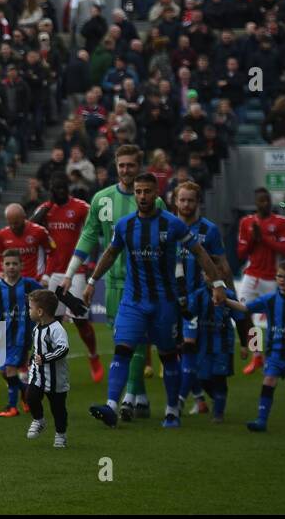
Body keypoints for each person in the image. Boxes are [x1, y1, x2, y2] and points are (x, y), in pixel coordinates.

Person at [86, 172, 227, 429]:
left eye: (147, 192)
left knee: (167, 355)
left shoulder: (173, 224)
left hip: (164, 302)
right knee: (123, 348)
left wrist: (218, 283)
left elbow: (200, 253)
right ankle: (111, 406)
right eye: (138, 192)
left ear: (156, 193)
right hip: (133, 301)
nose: (142, 196)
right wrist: (92, 282)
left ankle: (172, 409)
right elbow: (109, 253)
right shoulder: (125, 225)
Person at [64, 145, 160, 420]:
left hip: (144, 283)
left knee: (137, 338)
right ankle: (139, 397)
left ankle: (128, 398)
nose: (126, 170)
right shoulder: (102, 199)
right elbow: (89, 238)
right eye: (122, 165)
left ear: (139, 165)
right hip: (113, 281)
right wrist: (71, 273)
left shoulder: (154, 201)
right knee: (123, 339)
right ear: (116, 167)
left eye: (131, 165)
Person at [171, 181, 237, 417]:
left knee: (196, 352)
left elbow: (223, 264)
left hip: (203, 302)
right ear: (175, 201)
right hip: (173, 300)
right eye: (182, 199)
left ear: (198, 202)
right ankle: (200, 399)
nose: (186, 204)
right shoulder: (166, 227)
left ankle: (185, 401)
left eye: (191, 200)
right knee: (177, 352)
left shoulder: (209, 230)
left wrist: (228, 293)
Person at [219, 259, 285, 432]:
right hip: (275, 354)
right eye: (280, 276)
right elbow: (245, 309)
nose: (282, 280)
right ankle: (261, 420)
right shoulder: (270, 300)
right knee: (268, 381)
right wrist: (226, 301)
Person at [33, 175, 100, 380]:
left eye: (63, 188)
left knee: (80, 318)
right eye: (56, 188)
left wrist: (90, 262)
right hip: (53, 272)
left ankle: (93, 355)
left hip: (76, 271)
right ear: (51, 190)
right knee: (54, 321)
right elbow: (30, 227)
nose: (60, 191)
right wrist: (42, 213)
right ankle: (55, 362)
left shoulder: (80, 207)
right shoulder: (45, 208)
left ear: (68, 188)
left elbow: (94, 230)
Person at [235, 187, 285, 376]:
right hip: (251, 276)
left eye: (267, 200)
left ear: (270, 202)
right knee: (243, 313)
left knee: (278, 320)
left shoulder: (281, 222)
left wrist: (264, 237)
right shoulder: (246, 222)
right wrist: (253, 238)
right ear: (256, 203)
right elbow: (241, 253)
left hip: (273, 278)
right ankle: (257, 355)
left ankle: (276, 357)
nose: (264, 204)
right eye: (261, 201)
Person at [0, 249, 37, 418]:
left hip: (22, 335)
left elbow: (45, 297)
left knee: (11, 369)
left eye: (15, 263)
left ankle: (11, 407)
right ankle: (26, 393)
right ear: (2, 266)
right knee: (3, 372)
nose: (11, 267)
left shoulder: (29, 284)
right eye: (8, 264)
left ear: (21, 265)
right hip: (3, 335)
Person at [24, 289, 70, 448]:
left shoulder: (57, 329)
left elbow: (63, 349)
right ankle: (39, 419)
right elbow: (37, 349)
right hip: (38, 375)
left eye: (30, 308)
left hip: (57, 379)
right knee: (30, 396)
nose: (28, 311)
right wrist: (32, 360)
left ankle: (60, 434)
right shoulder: (36, 328)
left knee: (58, 409)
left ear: (40, 311)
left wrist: (45, 358)